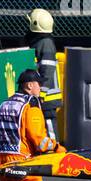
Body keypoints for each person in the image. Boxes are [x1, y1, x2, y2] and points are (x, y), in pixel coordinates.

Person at [26, 8, 62, 139]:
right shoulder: (39, 42)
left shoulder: (45, 44)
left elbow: (47, 70)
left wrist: (40, 94)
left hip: (46, 98)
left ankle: (54, 153)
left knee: (49, 128)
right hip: (41, 96)